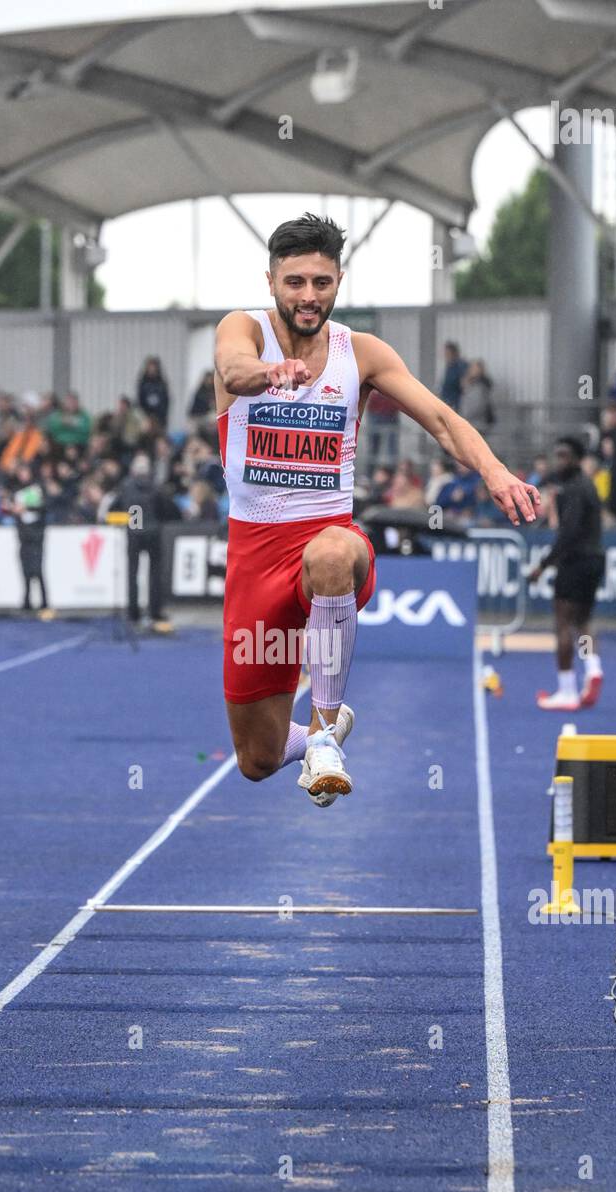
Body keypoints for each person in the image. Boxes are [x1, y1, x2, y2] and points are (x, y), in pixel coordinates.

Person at [214, 211, 539, 806]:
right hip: (253, 557)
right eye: (295, 283)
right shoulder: (244, 329)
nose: (308, 296)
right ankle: (320, 734)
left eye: (321, 282)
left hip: (325, 540)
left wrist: (494, 471)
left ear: (338, 282)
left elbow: (440, 418)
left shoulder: (360, 353)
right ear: (271, 282)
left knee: (334, 550)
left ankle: (325, 735)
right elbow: (232, 370)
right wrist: (270, 373)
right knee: (256, 759)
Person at [528, 438, 604, 712]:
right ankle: (593, 668)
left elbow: (568, 534)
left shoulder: (573, 489)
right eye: (557, 455)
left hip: (575, 561)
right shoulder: (587, 485)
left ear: (576, 459)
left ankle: (567, 689)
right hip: (596, 559)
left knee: (562, 625)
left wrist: (543, 565)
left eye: (564, 456)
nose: (559, 461)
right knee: (583, 621)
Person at [112, 453, 181, 633]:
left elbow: (115, 507)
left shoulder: (126, 487)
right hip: (152, 532)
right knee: (154, 574)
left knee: (132, 573)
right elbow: (169, 509)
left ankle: (133, 612)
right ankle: (154, 611)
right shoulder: (156, 487)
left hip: (134, 532)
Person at [5, 462, 53, 618]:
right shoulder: (15, 490)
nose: (22, 475)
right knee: (25, 569)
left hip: (37, 534)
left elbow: (44, 506)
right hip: (23, 534)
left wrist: (26, 508)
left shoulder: (38, 488)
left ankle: (44, 601)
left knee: (38, 569)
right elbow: (11, 507)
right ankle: (27, 600)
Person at [439, 341, 467, 411]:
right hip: (446, 402)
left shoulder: (461, 366)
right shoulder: (448, 366)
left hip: (455, 404)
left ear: (454, 353)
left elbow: (464, 385)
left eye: (447, 353)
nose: (445, 355)